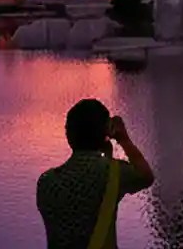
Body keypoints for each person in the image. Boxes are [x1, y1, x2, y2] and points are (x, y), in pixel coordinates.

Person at [37, 99, 154, 249]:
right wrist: (123, 139)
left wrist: (105, 156)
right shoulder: (113, 173)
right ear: (106, 132)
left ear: (68, 135)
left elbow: (77, 214)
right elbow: (146, 176)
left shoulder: (46, 183)